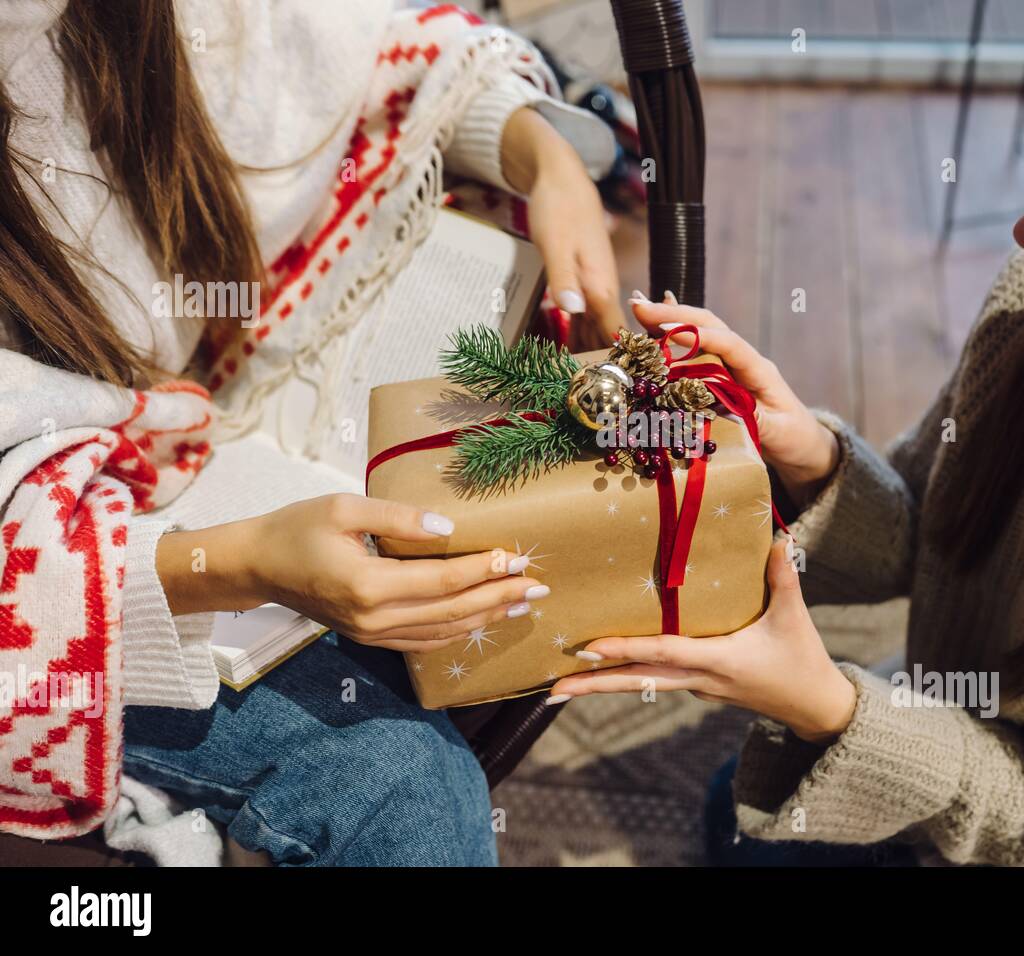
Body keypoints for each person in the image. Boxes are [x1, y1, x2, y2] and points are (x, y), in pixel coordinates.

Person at [550, 0, 1024, 866]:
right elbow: (932, 525)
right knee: (738, 814)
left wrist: (832, 708)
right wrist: (812, 457)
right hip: (973, 709)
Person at [0, 0, 617, 865]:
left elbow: (377, 60)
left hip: (169, 454)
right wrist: (235, 565)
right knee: (401, 785)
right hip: (46, 614)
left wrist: (549, 161)